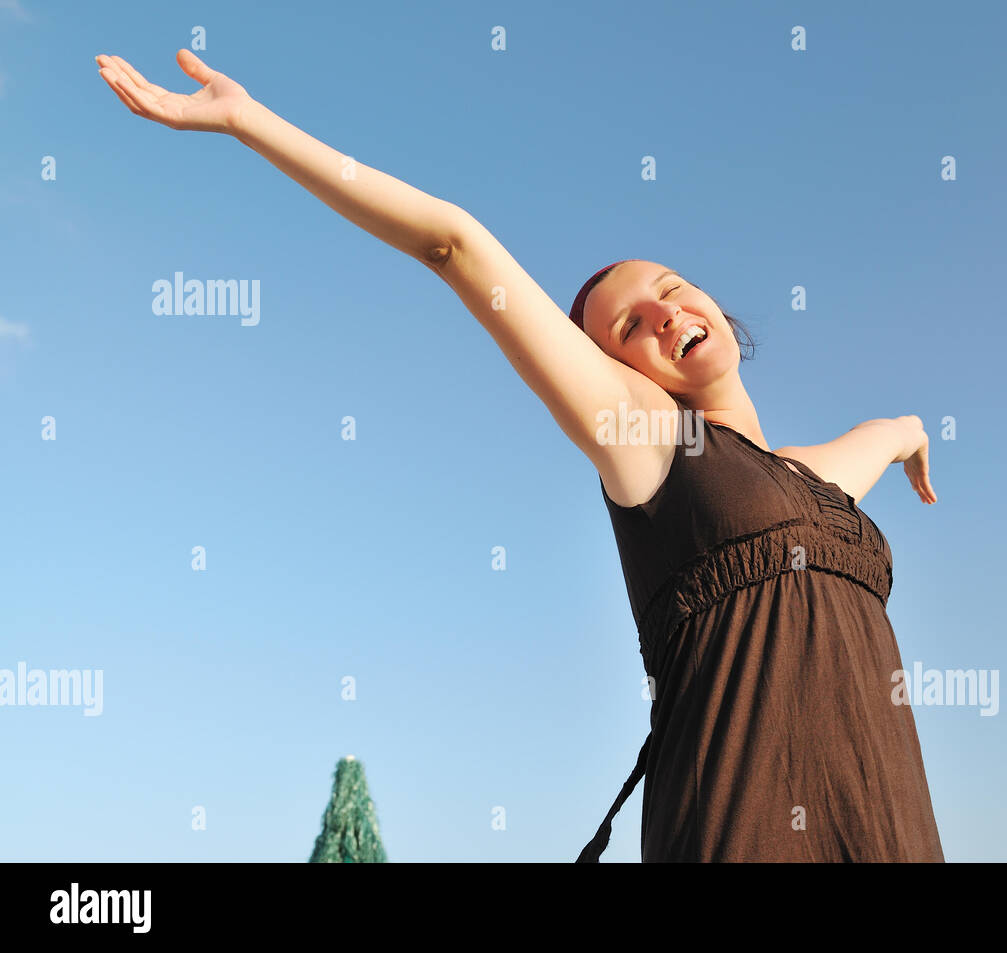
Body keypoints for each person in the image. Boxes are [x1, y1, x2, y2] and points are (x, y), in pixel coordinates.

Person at [95, 50, 945, 863]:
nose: (662, 313)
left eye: (672, 289)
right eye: (628, 327)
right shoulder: (650, 441)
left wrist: (913, 435)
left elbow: (885, 431)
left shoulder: (811, 478)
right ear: (615, 376)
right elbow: (454, 244)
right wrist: (250, 121)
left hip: (891, 830)